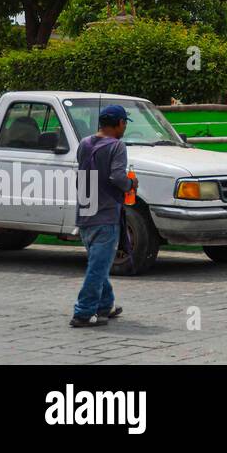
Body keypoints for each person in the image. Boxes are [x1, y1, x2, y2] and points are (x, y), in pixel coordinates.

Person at [70, 104, 136, 328]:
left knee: (99, 263)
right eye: (124, 123)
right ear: (119, 123)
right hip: (105, 214)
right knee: (98, 267)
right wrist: (130, 184)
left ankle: (105, 305)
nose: (124, 127)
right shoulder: (117, 146)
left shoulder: (84, 143)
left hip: (85, 212)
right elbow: (117, 177)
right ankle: (83, 313)